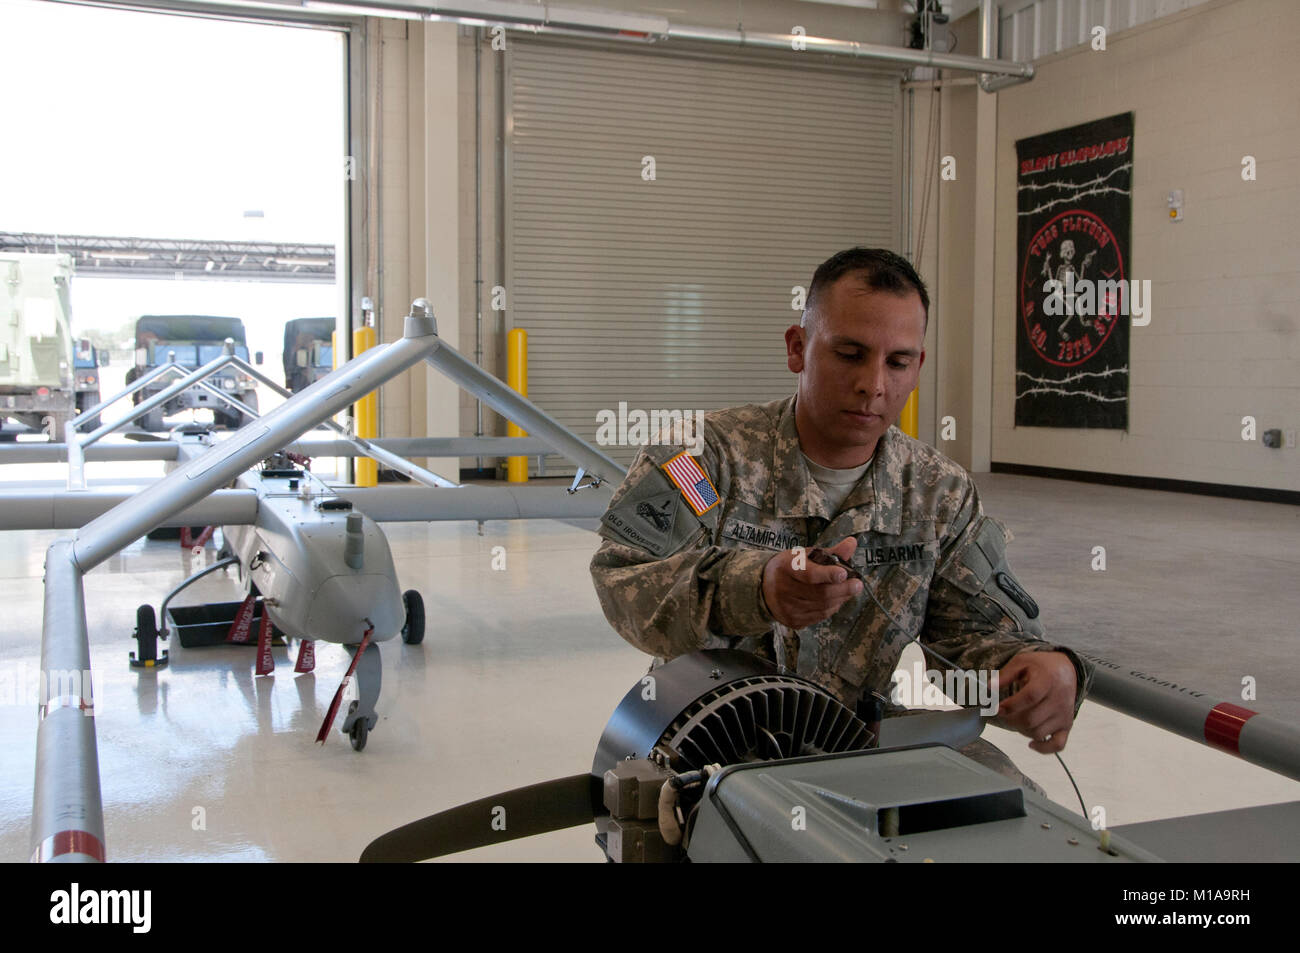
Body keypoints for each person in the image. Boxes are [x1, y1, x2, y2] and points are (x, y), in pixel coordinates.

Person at [589, 247, 1091, 789]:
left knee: (1014, 808)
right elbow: (624, 583)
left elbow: (969, 636)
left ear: (917, 367)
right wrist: (755, 589)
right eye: (850, 354)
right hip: (713, 739)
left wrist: (1035, 671)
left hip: (857, 736)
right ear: (798, 348)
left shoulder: (938, 492)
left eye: (897, 362)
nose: (874, 385)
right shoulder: (703, 456)